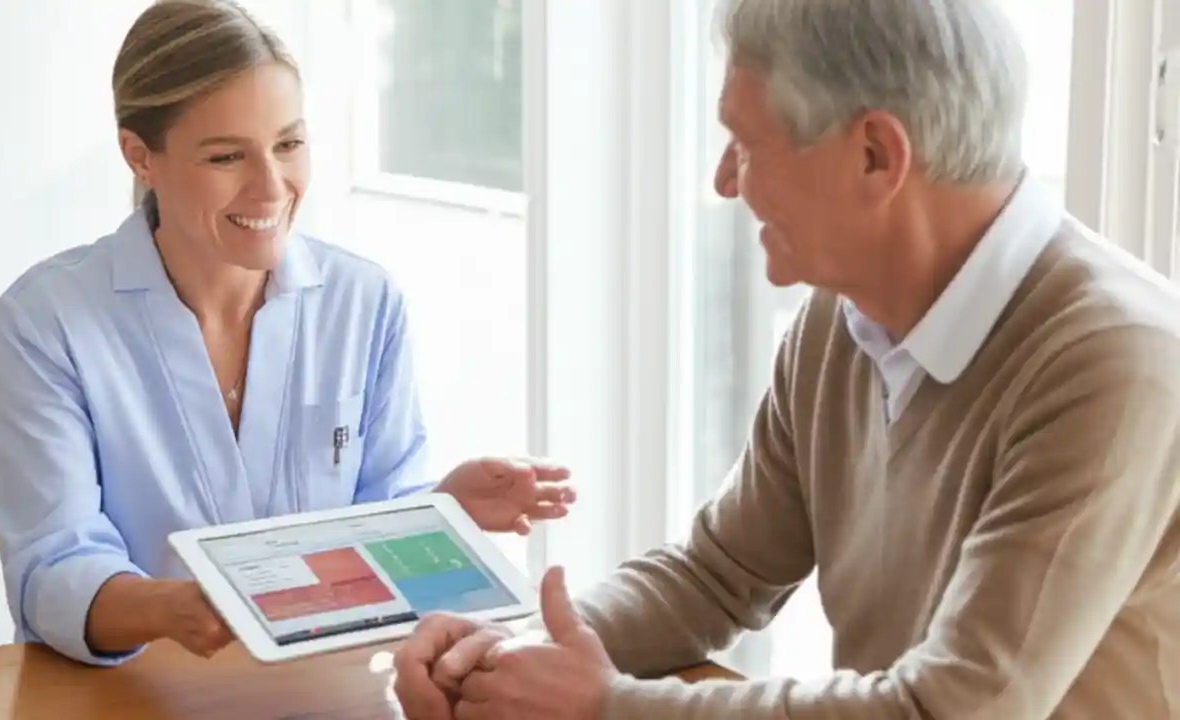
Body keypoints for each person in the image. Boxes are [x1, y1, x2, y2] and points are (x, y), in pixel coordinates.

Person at [392, 0, 1180, 717]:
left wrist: (606, 708)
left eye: (744, 141)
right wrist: (509, 652)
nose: (724, 181)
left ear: (876, 154)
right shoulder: (841, 318)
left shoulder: (1117, 362)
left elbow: (957, 709)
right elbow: (718, 573)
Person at [0, 0, 574, 667]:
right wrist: (171, 607)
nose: (272, 188)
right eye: (227, 156)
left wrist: (441, 510)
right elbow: (50, 568)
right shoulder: (48, 320)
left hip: (326, 693)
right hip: (126, 698)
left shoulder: (364, 301)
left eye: (288, 145)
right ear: (139, 155)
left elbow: (375, 526)